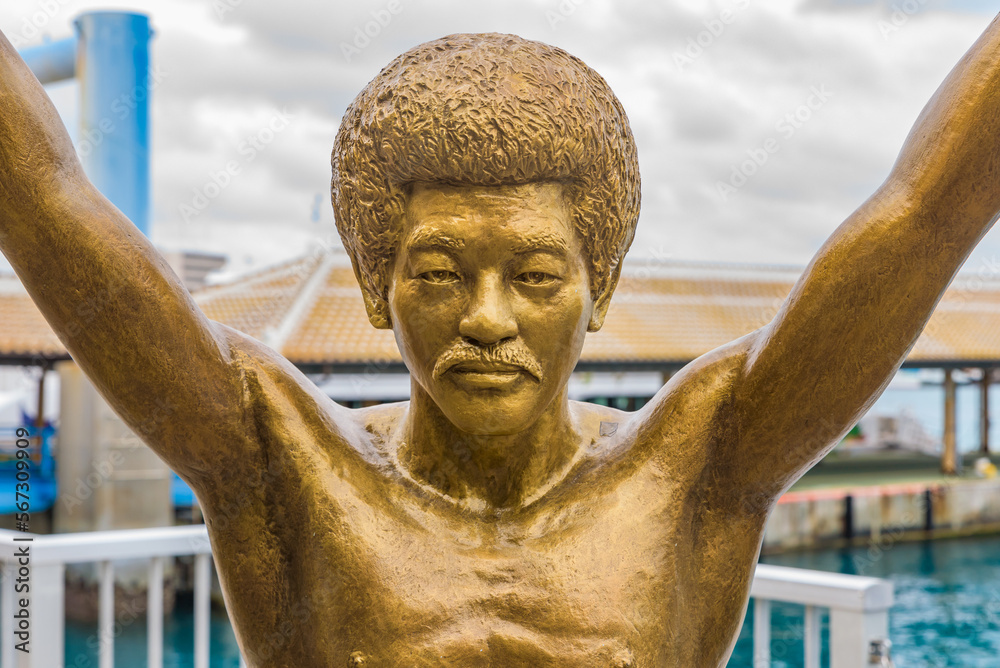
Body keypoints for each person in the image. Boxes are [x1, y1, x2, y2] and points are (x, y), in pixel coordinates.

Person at [1, 19, 999, 667]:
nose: (486, 316)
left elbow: (920, 217)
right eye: (437, 274)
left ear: (596, 287)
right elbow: (47, 205)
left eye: (533, 276)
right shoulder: (282, 464)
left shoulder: (699, 460)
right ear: (376, 287)